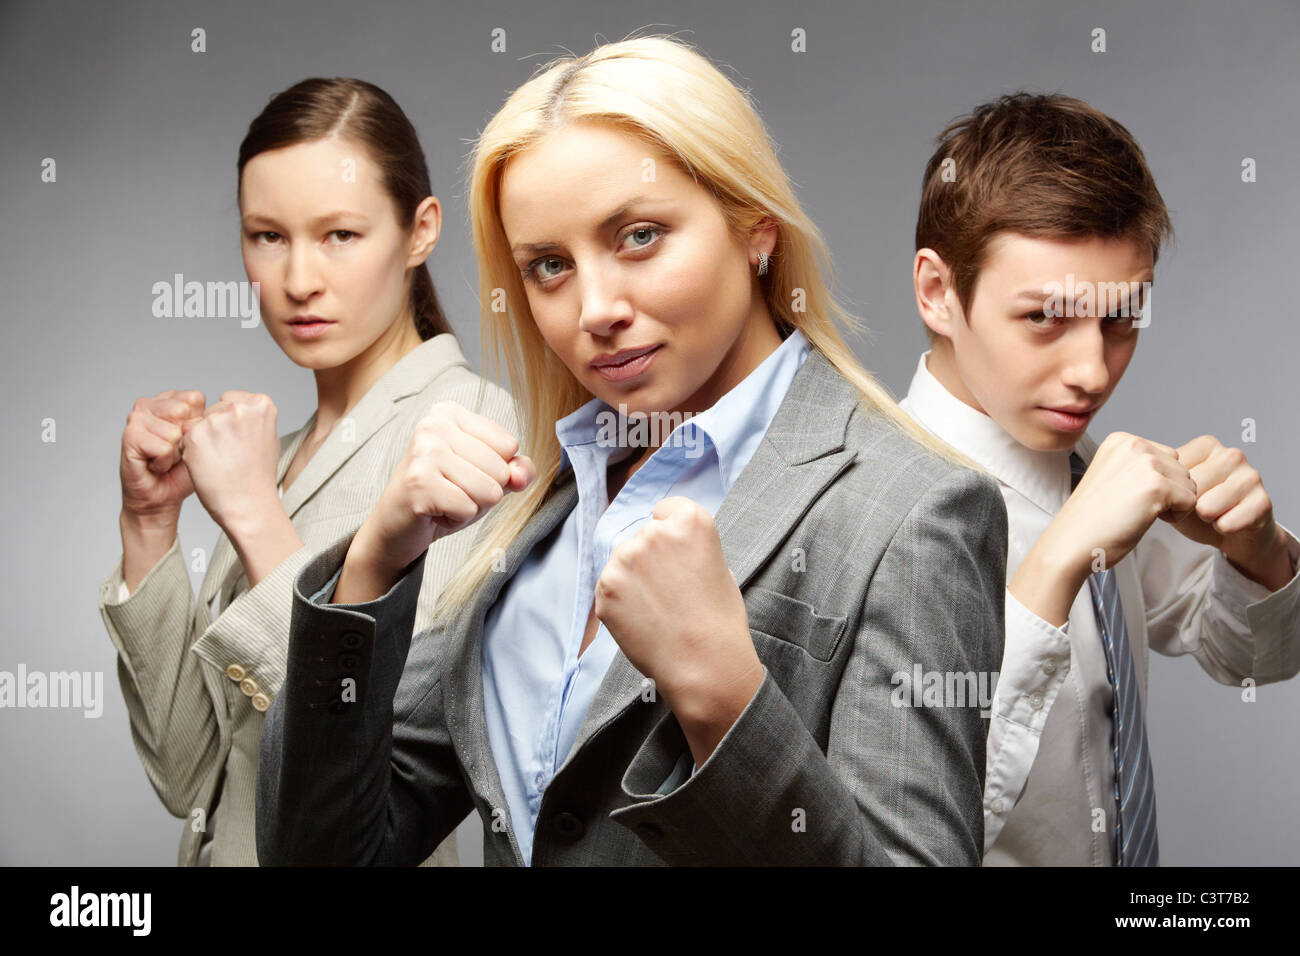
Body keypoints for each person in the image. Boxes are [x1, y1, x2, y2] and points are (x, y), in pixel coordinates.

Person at [257, 36, 1008, 866]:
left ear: (755, 228)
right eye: (548, 265)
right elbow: (322, 855)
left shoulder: (913, 508)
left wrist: (724, 698)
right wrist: (371, 568)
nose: (595, 307)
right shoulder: (533, 509)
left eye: (640, 236)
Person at [97, 77, 517, 866]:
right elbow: (191, 780)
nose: (297, 281)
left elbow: (383, 764)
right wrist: (150, 524)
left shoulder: (470, 431)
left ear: (421, 229)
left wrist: (255, 515)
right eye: (268, 236)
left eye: (340, 235)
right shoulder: (283, 457)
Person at [899, 92, 1300, 865]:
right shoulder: (864, 510)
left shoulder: (1099, 478)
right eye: (1046, 317)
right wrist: (1056, 561)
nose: (1091, 372)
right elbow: (913, 826)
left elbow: (1255, 657)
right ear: (938, 294)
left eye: (1122, 319)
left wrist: (1258, 552)